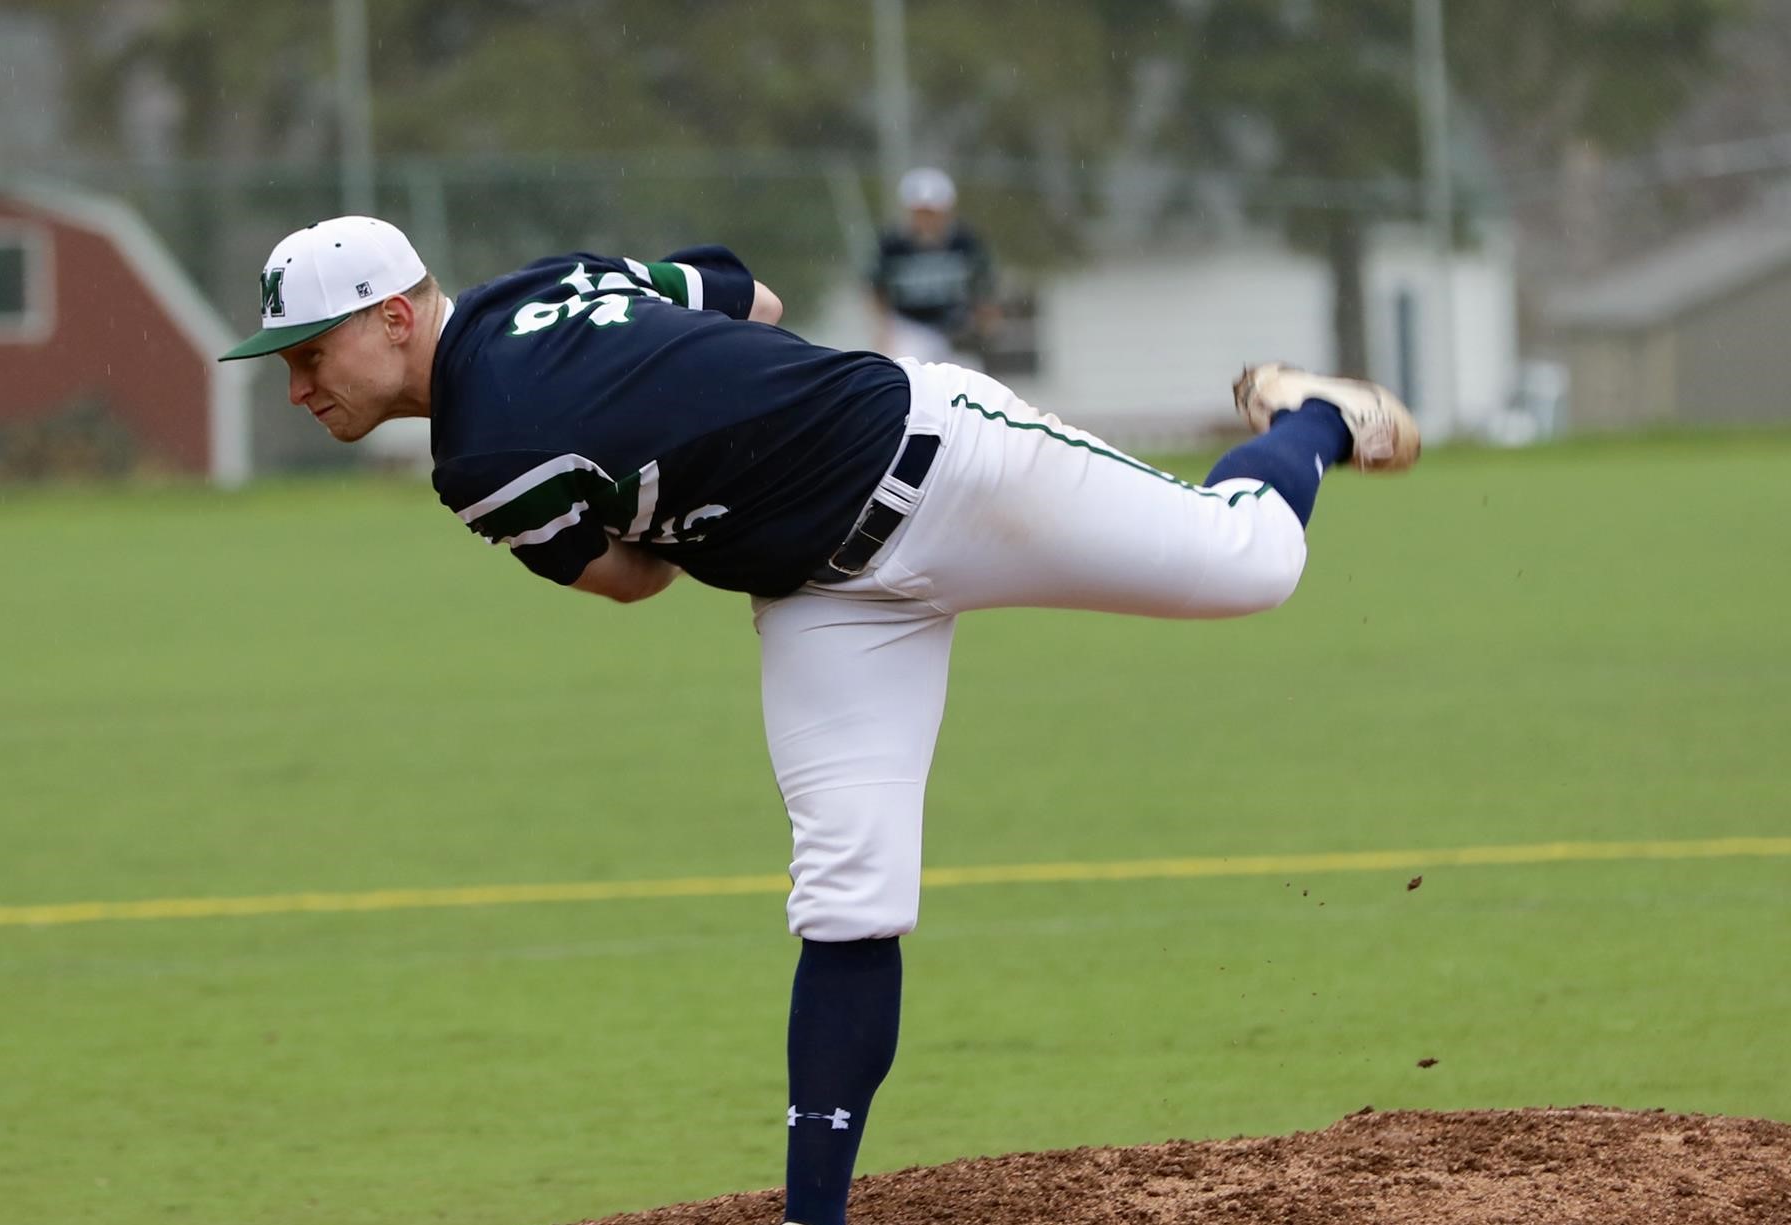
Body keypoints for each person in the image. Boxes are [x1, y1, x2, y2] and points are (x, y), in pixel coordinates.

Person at [219, 215, 1420, 1225]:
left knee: (1250, 562)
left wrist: (702, 453)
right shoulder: (548, 283)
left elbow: (632, 582)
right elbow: (751, 292)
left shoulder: (485, 456)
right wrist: (711, 406)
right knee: (847, 887)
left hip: (948, 465)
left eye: (307, 349)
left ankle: (1304, 419)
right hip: (821, 598)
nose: (297, 382)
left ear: (389, 318)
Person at [867, 167, 998, 364]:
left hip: (957, 329)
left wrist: (985, 321)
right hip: (910, 326)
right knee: (908, 371)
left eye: (931, 213)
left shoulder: (965, 243)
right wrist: (884, 329)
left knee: (968, 381)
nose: (926, 219)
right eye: (920, 212)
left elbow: (983, 285)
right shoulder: (893, 245)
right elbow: (877, 289)